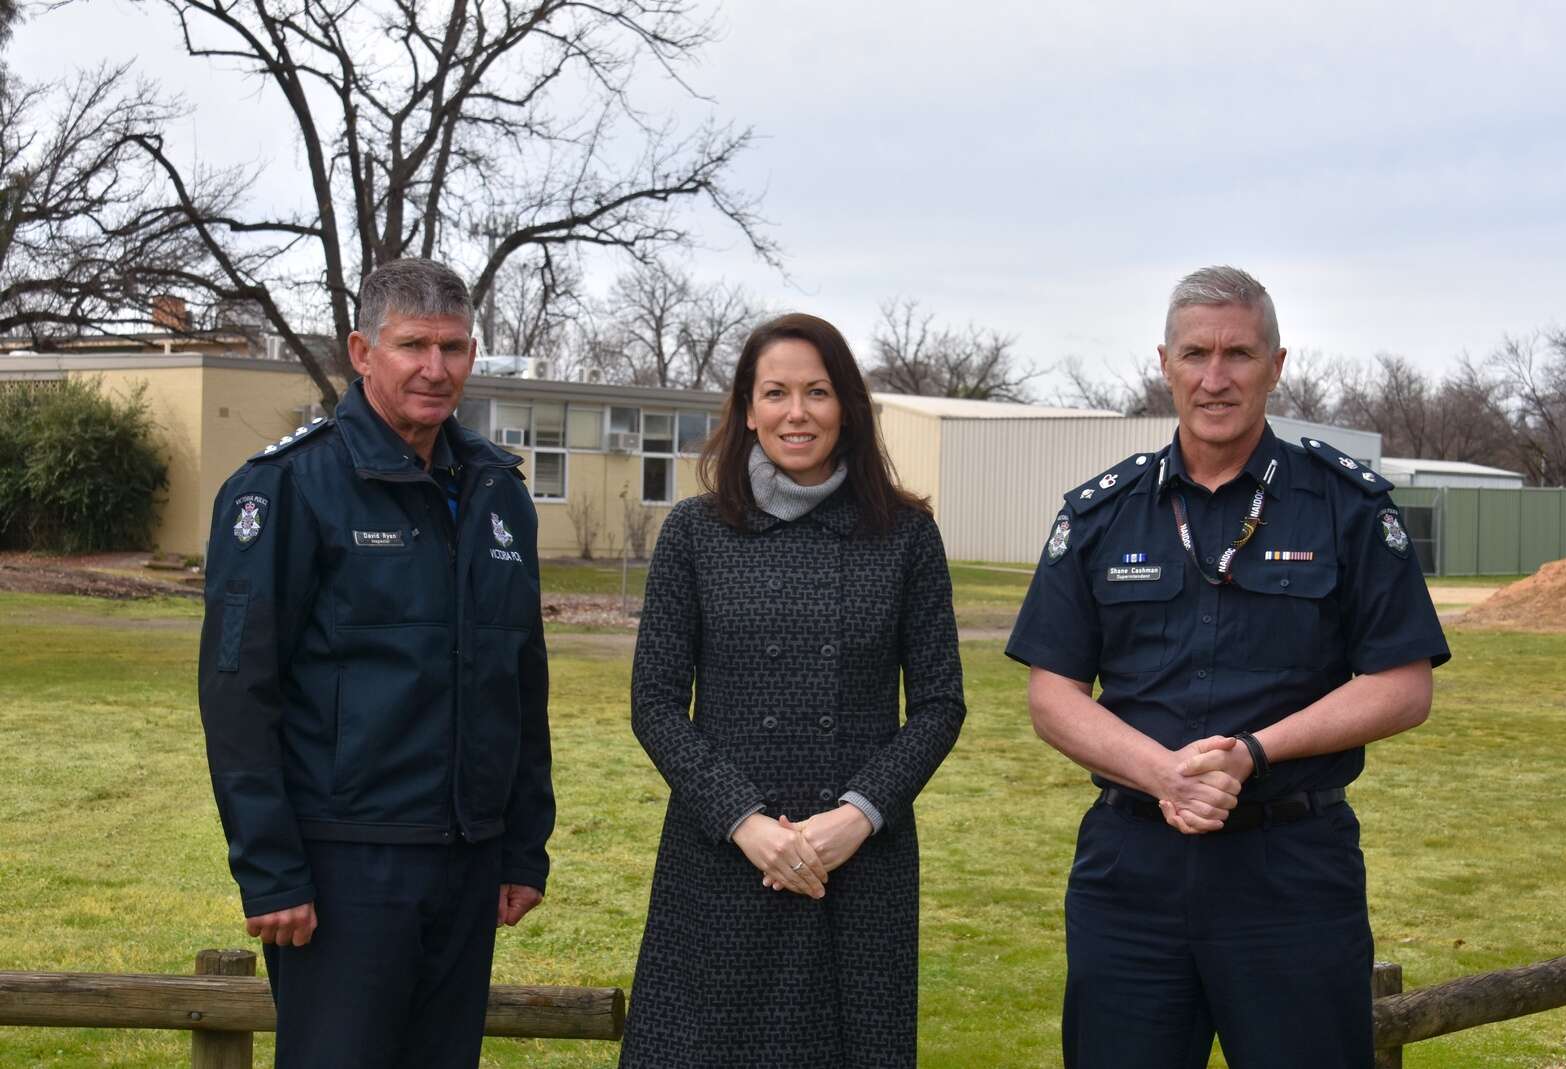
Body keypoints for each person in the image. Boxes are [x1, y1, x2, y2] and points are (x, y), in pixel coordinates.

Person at [1006, 266, 1450, 1069]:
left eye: (1240, 353)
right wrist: (1163, 773)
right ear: (1165, 364)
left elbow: (1403, 684)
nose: (1216, 377)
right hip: (1130, 872)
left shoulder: (1347, 507)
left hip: (1290, 873)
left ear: (1277, 365)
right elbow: (1051, 693)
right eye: (1196, 354)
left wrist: (1252, 752)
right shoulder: (1101, 514)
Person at [196, 257, 555, 1069]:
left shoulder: (498, 493)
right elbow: (237, 693)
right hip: (344, 870)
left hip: (466, 865)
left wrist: (522, 842)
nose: (437, 369)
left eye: (456, 347)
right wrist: (271, 869)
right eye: (413, 345)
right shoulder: (287, 489)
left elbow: (518, 679)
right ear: (362, 352)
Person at [619, 312, 965, 1068]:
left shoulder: (905, 534)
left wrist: (859, 815)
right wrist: (745, 821)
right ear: (747, 408)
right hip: (721, 858)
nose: (796, 412)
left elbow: (939, 704)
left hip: (857, 866)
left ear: (847, 405)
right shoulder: (694, 533)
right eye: (775, 392)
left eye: (817, 391)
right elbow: (654, 704)